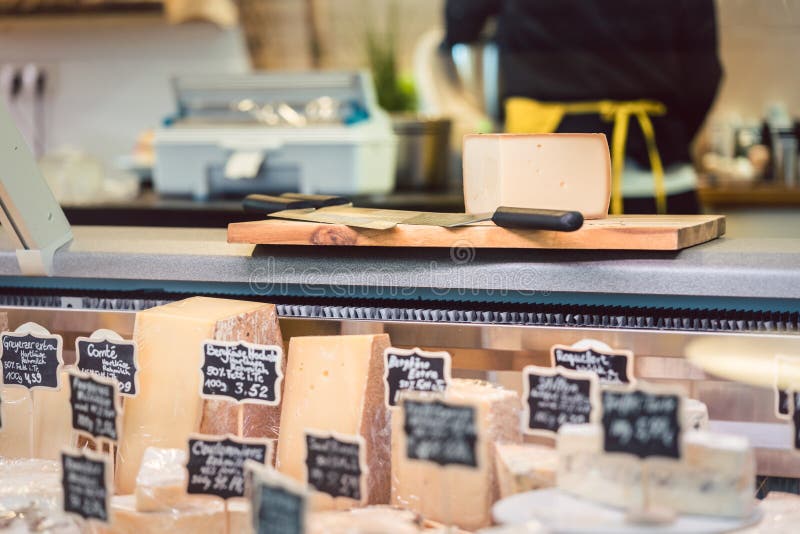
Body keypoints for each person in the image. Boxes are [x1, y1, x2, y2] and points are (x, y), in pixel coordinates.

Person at [443, 0, 723, 214]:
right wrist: (669, 134)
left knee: (543, 290)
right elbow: (704, 72)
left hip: (542, 175)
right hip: (655, 171)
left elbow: (460, 21)